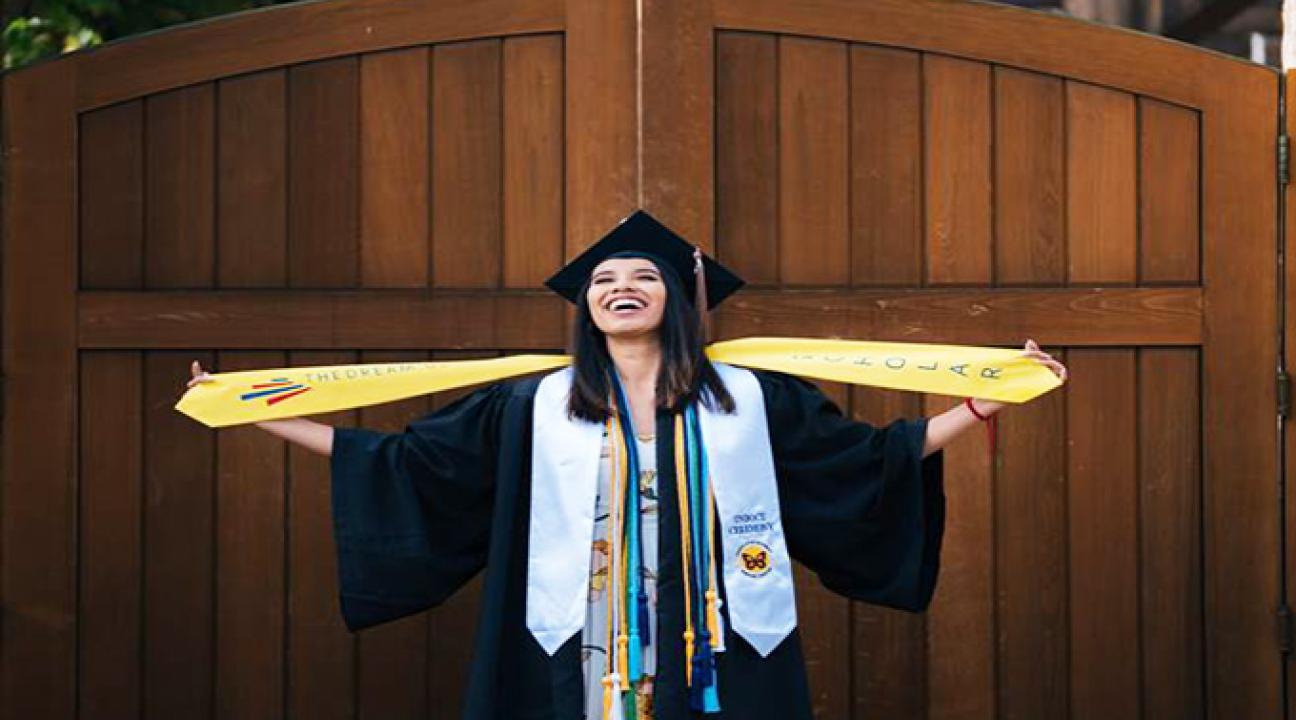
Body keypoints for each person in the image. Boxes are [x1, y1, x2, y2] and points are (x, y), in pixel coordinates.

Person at [188, 210, 1066, 720]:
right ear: (586, 307)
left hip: (717, 636)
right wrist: (264, 414)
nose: (619, 289)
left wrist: (982, 402)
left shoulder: (752, 398)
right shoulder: (529, 403)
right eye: (604, 281)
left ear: (677, 299)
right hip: (571, 632)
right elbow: (408, 467)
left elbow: (867, 463)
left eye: (640, 277)